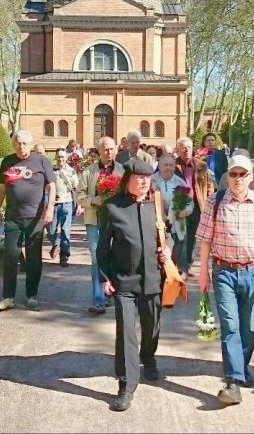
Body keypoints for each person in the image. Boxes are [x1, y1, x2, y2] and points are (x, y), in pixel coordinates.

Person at [197, 154, 254, 406]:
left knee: (248, 328)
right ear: (227, 177)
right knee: (231, 325)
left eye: (242, 174)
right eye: (233, 174)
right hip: (223, 271)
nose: (237, 179)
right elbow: (204, 240)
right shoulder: (215, 202)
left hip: (253, 272)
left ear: (251, 177)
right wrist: (202, 272)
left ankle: (242, 366)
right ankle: (233, 381)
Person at [97, 158, 169, 412]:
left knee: (151, 325)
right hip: (123, 281)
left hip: (153, 279)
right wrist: (106, 278)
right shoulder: (112, 208)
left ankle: (148, 358)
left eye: (147, 178)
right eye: (138, 177)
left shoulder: (158, 205)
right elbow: (102, 248)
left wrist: (165, 250)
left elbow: (165, 233)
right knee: (126, 330)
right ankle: (126, 385)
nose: (143, 181)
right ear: (127, 180)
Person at [0, 130, 56, 311]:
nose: (21, 147)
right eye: (18, 143)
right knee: (11, 255)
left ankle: (31, 294)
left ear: (31, 144)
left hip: (35, 218)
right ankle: (8, 297)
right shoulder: (8, 161)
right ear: (13, 145)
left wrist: (50, 208)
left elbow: (51, 186)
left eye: (25, 143)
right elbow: (1, 189)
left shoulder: (42, 161)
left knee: (34, 257)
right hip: (13, 218)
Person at [76, 136, 124, 314]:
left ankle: (114, 294)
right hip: (95, 221)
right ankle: (98, 300)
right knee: (97, 259)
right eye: (105, 149)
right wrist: (94, 200)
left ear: (116, 150)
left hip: (118, 221)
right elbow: (79, 196)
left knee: (117, 257)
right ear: (99, 151)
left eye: (111, 149)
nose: (109, 152)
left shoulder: (123, 171)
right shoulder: (89, 172)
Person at [175, 136, 214, 276]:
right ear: (178, 149)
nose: (186, 150)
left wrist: (209, 199)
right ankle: (181, 266)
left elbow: (209, 184)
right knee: (180, 237)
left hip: (197, 207)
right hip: (179, 207)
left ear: (193, 149)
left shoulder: (201, 166)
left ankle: (188, 264)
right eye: (183, 148)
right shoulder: (172, 166)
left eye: (189, 148)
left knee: (192, 237)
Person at [151, 153, 193, 276]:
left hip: (177, 225)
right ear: (159, 165)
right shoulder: (151, 181)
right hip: (157, 225)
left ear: (174, 167)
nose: (168, 168)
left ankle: (177, 278)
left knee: (178, 254)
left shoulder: (180, 182)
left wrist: (186, 211)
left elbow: (190, 204)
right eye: (165, 165)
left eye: (171, 165)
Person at [48, 148, 78, 267]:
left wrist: (79, 205)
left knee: (65, 230)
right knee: (51, 230)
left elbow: (76, 188)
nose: (60, 159)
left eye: (62, 157)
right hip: (53, 204)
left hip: (67, 203)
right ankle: (55, 243)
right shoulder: (51, 170)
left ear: (66, 158)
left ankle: (64, 255)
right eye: (58, 157)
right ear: (55, 158)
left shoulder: (71, 171)